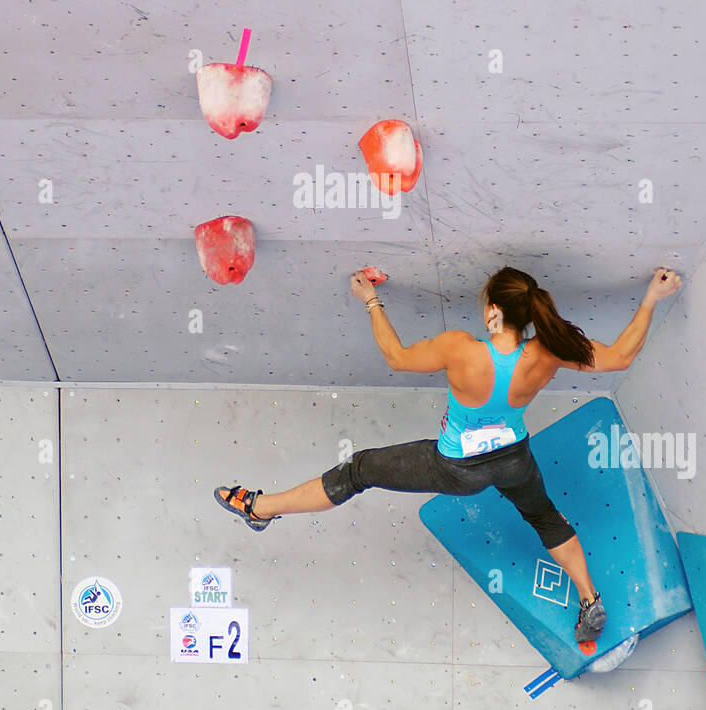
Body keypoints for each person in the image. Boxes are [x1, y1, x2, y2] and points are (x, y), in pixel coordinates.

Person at [215, 264, 682, 642]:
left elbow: (397, 358)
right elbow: (620, 357)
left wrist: (371, 301)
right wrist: (651, 299)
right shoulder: (549, 350)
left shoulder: (461, 348)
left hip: (455, 468)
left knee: (359, 470)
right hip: (515, 457)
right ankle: (589, 599)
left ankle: (259, 508)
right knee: (545, 518)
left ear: (493, 311)